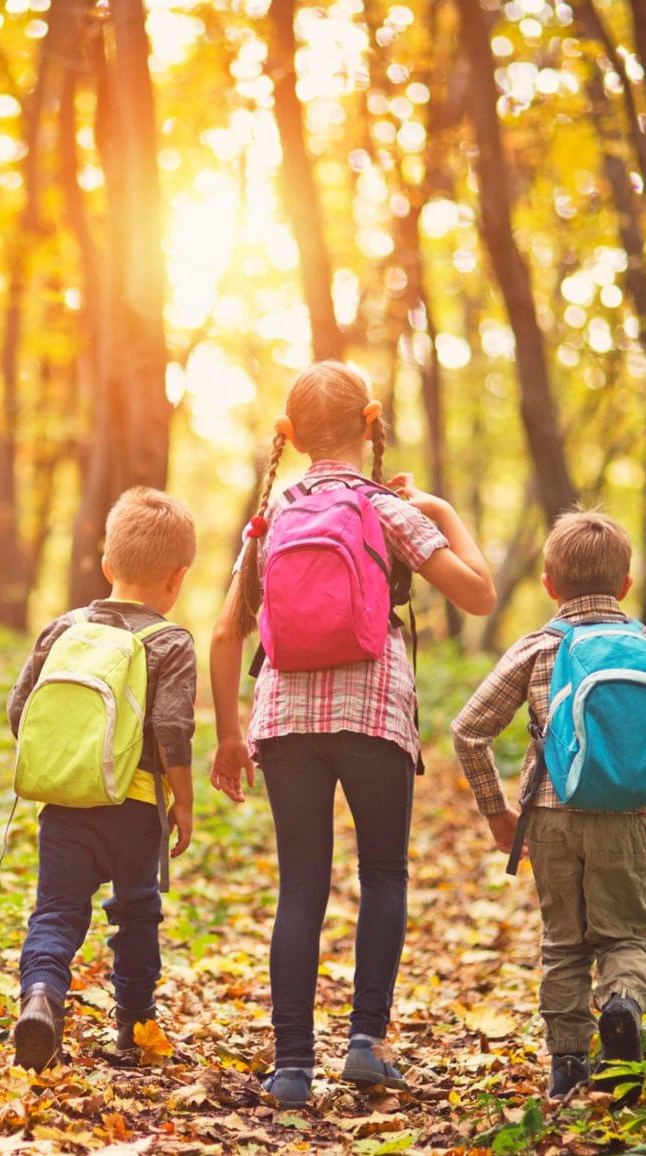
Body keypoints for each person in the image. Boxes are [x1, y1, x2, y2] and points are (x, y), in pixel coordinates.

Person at [209, 361, 496, 1109]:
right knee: (384, 877)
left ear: (289, 434)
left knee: (300, 886)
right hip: (373, 709)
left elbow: (222, 634)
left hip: (285, 718)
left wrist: (230, 737)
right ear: (371, 421)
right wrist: (440, 510)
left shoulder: (272, 517)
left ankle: (293, 1064)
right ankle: (366, 1043)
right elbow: (478, 593)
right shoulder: (387, 510)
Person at [450, 509, 646, 1102]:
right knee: (626, 936)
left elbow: (469, 730)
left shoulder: (538, 647)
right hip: (625, 818)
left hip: (550, 817)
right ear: (626, 586)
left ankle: (567, 1064)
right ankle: (621, 1004)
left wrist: (497, 812)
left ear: (548, 584)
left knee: (564, 941)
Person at [7, 488, 199, 1070]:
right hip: (134, 808)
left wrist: (71, 760)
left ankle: (41, 996)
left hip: (64, 804)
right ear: (178, 577)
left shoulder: (63, 629)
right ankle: (134, 1027)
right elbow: (172, 730)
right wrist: (184, 804)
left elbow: (21, 711)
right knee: (136, 912)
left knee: (57, 910)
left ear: (107, 564)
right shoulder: (170, 642)